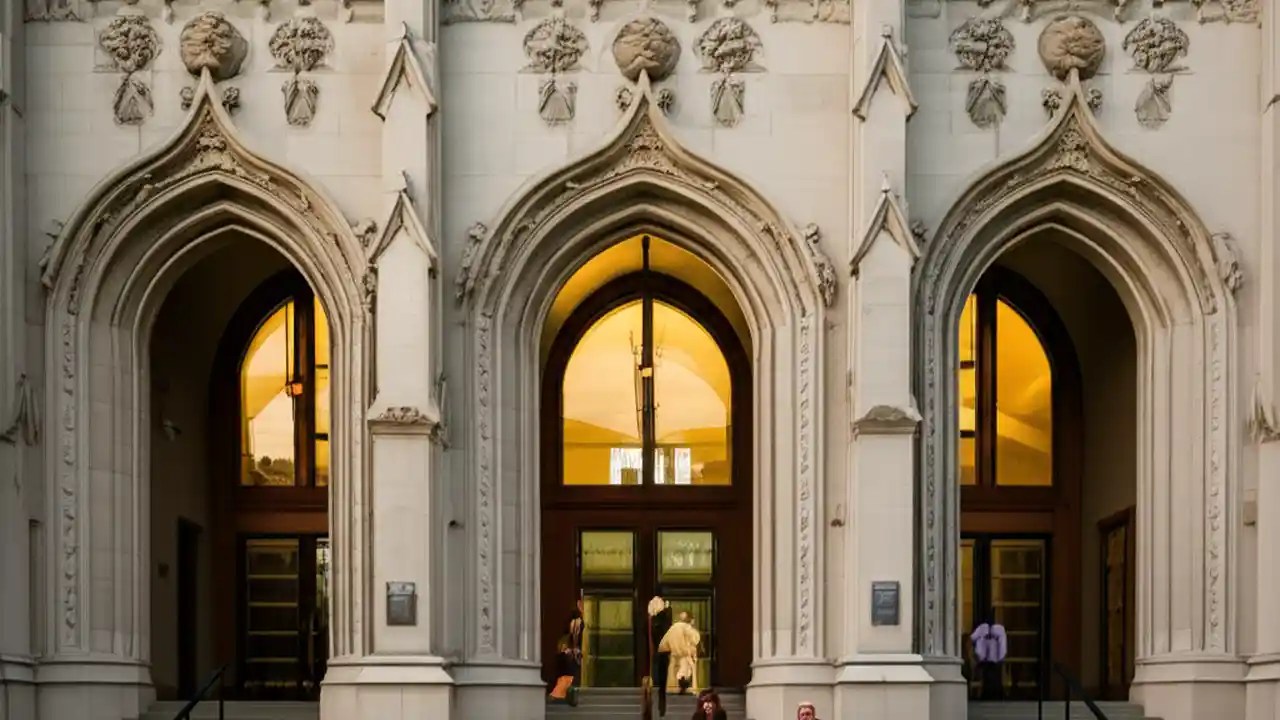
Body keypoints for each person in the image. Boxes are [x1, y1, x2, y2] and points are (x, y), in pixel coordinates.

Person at [658, 611, 701, 694]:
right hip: (685, 655)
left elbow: (663, 644)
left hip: (674, 656)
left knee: (674, 673)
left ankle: (673, 688)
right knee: (686, 672)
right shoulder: (687, 628)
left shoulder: (673, 628)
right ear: (690, 619)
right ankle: (687, 687)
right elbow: (695, 639)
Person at [970, 609, 1008, 700]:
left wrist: (1001, 657)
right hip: (986, 659)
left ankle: (995, 694)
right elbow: (972, 638)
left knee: (994, 678)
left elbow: (1002, 644)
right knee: (987, 677)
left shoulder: (999, 629)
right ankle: (987, 693)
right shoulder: (982, 628)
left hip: (994, 659)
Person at [648, 596, 674, 716]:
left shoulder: (654, 620)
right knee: (663, 678)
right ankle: (661, 706)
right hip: (663, 652)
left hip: (659, 652)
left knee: (660, 680)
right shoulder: (661, 619)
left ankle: (661, 706)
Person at [547, 636, 576, 703]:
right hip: (563, 676)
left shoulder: (569, 655)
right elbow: (559, 663)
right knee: (558, 692)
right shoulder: (560, 656)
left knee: (561, 692)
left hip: (568, 676)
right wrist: (564, 653)